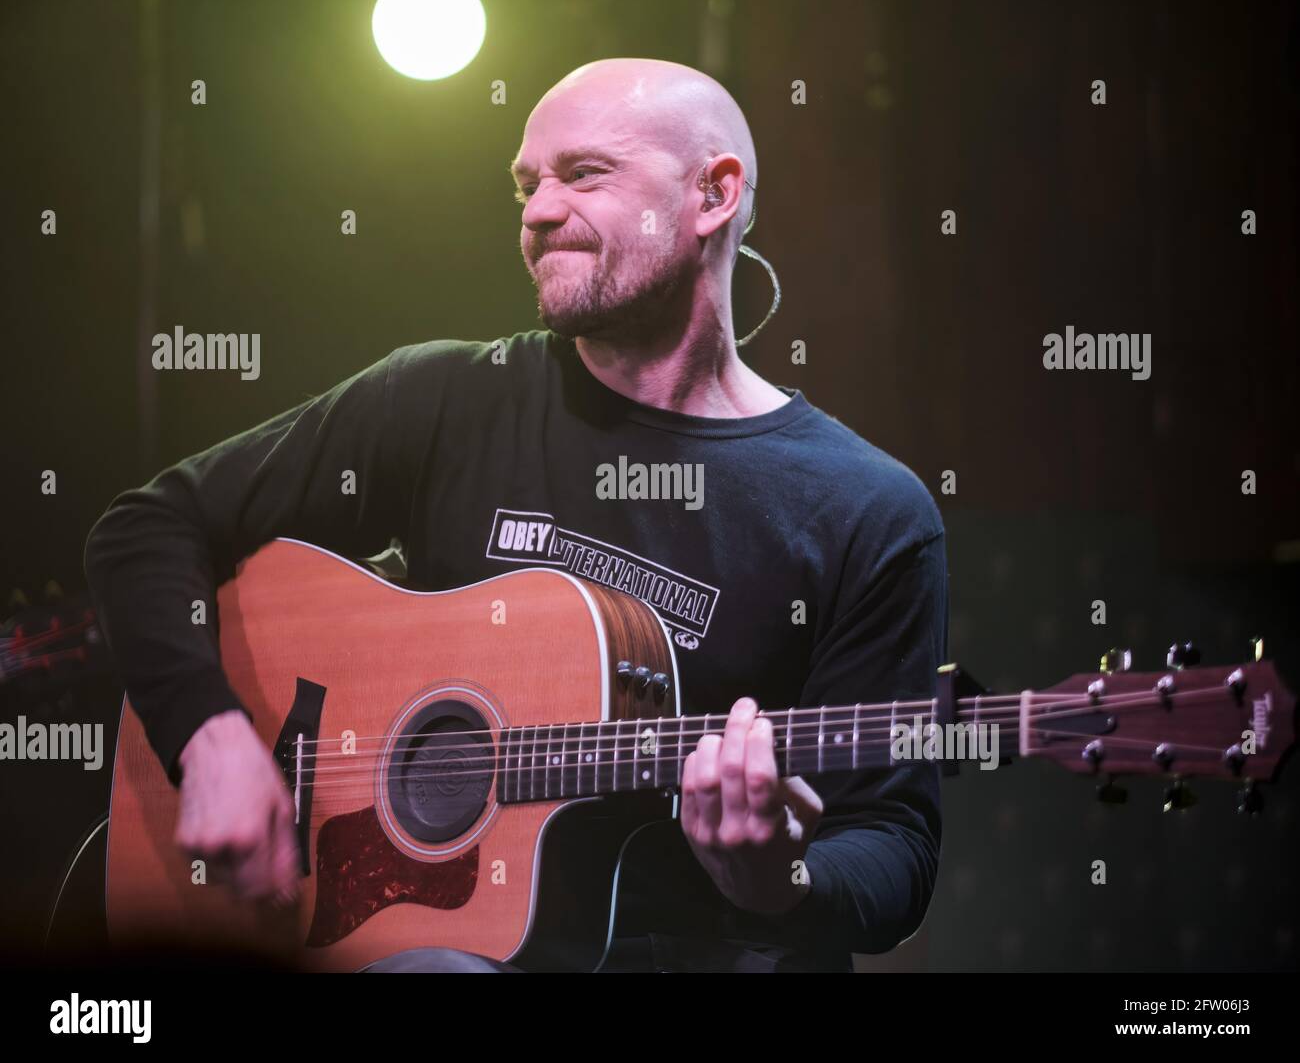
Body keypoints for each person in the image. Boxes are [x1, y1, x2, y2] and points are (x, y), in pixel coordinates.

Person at [84, 57, 948, 973]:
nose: (536, 212)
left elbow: (893, 845)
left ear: (712, 193)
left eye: (583, 174)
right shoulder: (446, 399)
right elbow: (146, 530)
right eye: (526, 184)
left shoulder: (866, 508)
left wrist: (781, 880)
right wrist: (210, 737)